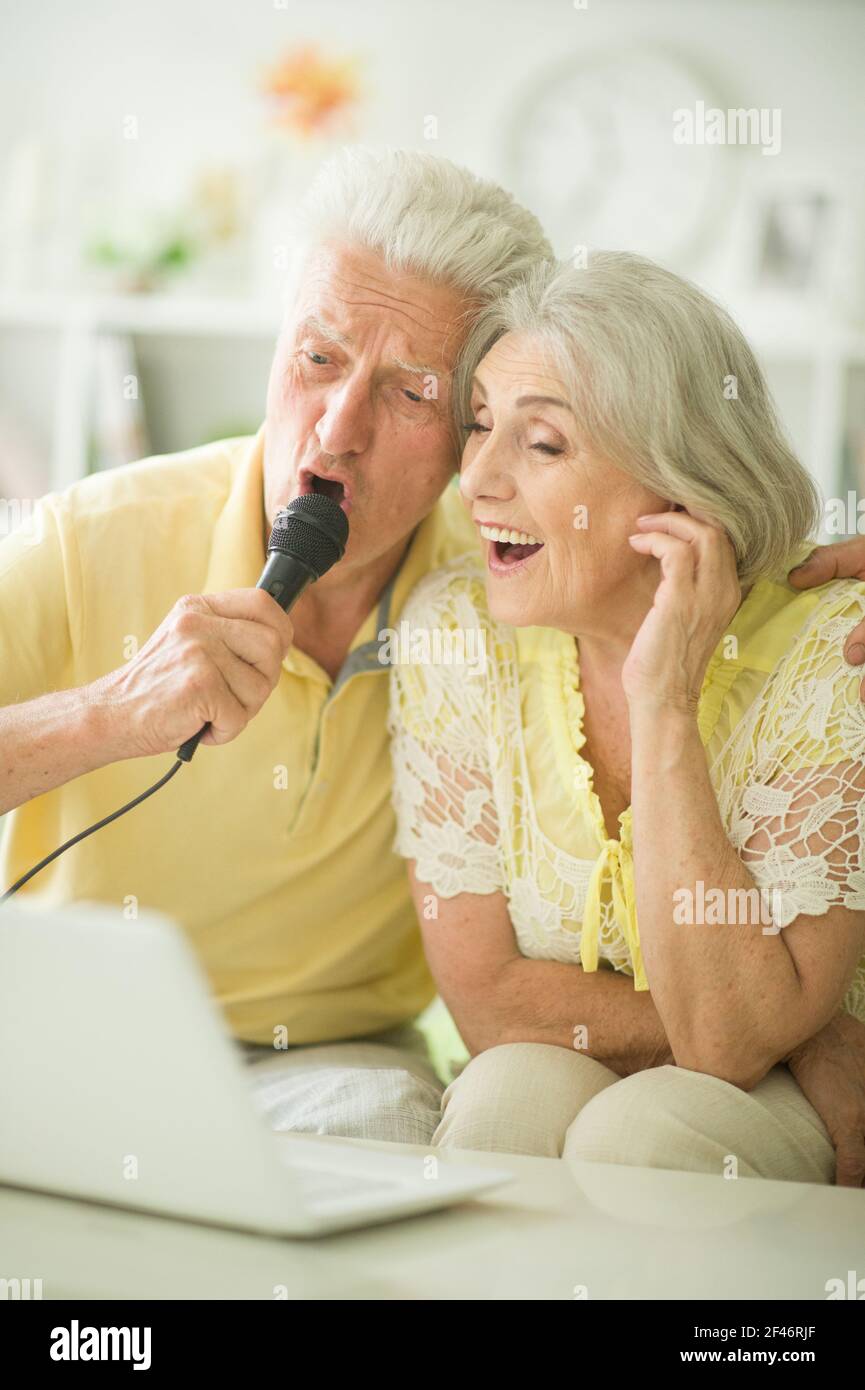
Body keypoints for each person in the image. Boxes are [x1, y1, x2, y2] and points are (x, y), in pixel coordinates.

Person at [0, 148, 552, 1144]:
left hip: (336, 1068)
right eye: (317, 358)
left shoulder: (511, 582)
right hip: (64, 1041)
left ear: (476, 430)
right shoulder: (89, 535)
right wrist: (109, 712)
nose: (335, 431)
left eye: (407, 392)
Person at [389, 252, 865, 1183]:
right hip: (785, 1051)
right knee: (500, 1101)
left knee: (642, 1143)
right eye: (480, 426)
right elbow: (487, 1001)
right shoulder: (455, 633)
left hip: (790, 1098)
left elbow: (725, 1045)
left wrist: (663, 701)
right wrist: (806, 1033)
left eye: (543, 444)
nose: (475, 482)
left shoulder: (831, 651)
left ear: (681, 487)